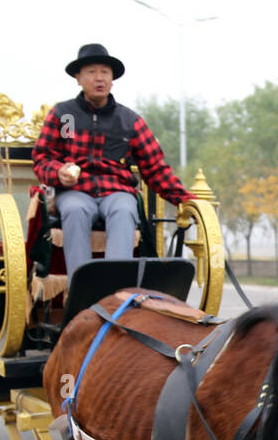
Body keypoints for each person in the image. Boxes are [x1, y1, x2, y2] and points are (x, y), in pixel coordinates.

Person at [32, 43, 195, 283]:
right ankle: (82, 287)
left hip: (117, 191)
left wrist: (187, 200)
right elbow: (43, 158)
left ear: (112, 79)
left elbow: (155, 168)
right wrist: (59, 172)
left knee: (125, 209)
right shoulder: (65, 116)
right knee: (75, 210)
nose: (99, 78)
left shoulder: (129, 120)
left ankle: (115, 288)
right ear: (78, 78)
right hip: (76, 191)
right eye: (91, 72)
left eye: (104, 72)